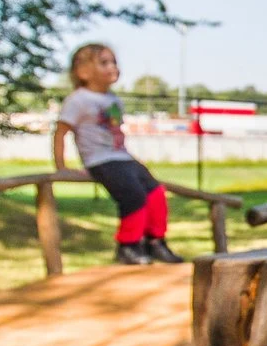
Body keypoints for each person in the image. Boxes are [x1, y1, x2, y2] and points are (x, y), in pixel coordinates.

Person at [52, 44, 183, 265]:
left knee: (156, 193)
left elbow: (114, 131)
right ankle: (128, 245)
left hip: (121, 156)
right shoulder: (78, 100)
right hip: (100, 160)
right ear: (83, 71)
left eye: (114, 62)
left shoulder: (113, 100)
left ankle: (155, 241)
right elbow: (60, 133)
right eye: (104, 63)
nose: (112, 67)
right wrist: (61, 166)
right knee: (133, 197)